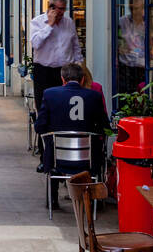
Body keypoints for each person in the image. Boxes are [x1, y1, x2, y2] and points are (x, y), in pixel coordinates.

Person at [34, 63, 109, 211]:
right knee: (97, 147)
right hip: (87, 159)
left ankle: (53, 198)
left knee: (52, 147)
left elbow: (39, 126)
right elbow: (104, 126)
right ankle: (93, 199)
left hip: (58, 158)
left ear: (62, 79)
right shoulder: (94, 96)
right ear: (82, 80)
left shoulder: (50, 94)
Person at [29, 0, 82, 112]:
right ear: (50, 7)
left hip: (65, 71)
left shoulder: (68, 23)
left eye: (63, 9)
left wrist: (79, 63)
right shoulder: (37, 22)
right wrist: (50, 25)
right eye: (57, 8)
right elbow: (36, 43)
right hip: (43, 70)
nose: (60, 12)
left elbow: (75, 45)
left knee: (64, 104)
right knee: (43, 104)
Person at [117, 0, 149, 96]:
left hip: (143, 68)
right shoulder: (122, 22)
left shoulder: (147, 24)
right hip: (126, 68)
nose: (134, 11)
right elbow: (116, 41)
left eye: (137, 8)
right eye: (132, 8)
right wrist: (120, 47)